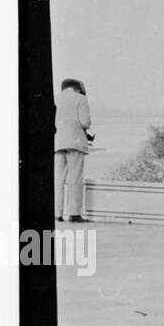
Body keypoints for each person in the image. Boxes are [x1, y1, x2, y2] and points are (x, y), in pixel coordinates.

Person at [54, 78, 94, 222]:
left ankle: (56, 213)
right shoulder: (80, 98)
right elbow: (85, 122)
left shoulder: (55, 98)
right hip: (76, 142)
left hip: (58, 142)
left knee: (57, 179)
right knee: (75, 178)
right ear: (77, 88)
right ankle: (74, 213)